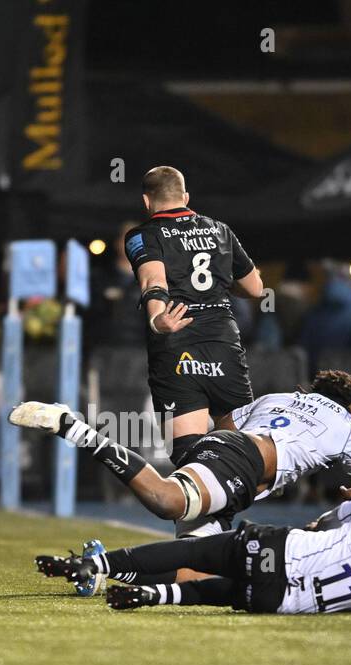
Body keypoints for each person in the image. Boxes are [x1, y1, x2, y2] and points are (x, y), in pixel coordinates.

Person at [36, 477, 351, 615]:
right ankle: (155, 594)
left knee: (192, 552)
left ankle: (100, 564)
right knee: (212, 592)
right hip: (282, 601)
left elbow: (324, 524)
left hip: (282, 549)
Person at [10, 369, 351, 528]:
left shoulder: (279, 397)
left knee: (191, 572)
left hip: (230, 453)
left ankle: (100, 566)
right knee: (167, 501)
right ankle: (74, 427)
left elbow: (226, 428)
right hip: (241, 461)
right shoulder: (348, 427)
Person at [121, 166, 265, 512]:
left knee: (189, 458)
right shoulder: (220, 231)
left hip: (177, 349)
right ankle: (235, 531)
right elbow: (256, 288)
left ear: (146, 201)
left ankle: (198, 542)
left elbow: (152, 280)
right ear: (186, 198)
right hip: (224, 346)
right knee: (242, 450)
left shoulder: (143, 234)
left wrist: (158, 319)